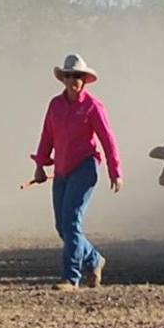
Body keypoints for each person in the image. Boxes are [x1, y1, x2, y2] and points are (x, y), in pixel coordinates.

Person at [31, 54, 122, 289]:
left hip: (85, 167)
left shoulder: (93, 106)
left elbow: (107, 139)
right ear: (63, 79)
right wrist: (40, 165)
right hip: (61, 170)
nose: (73, 80)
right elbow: (47, 136)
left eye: (78, 76)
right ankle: (94, 259)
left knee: (71, 221)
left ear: (84, 80)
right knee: (62, 227)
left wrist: (115, 171)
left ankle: (71, 278)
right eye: (69, 75)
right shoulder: (55, 105)